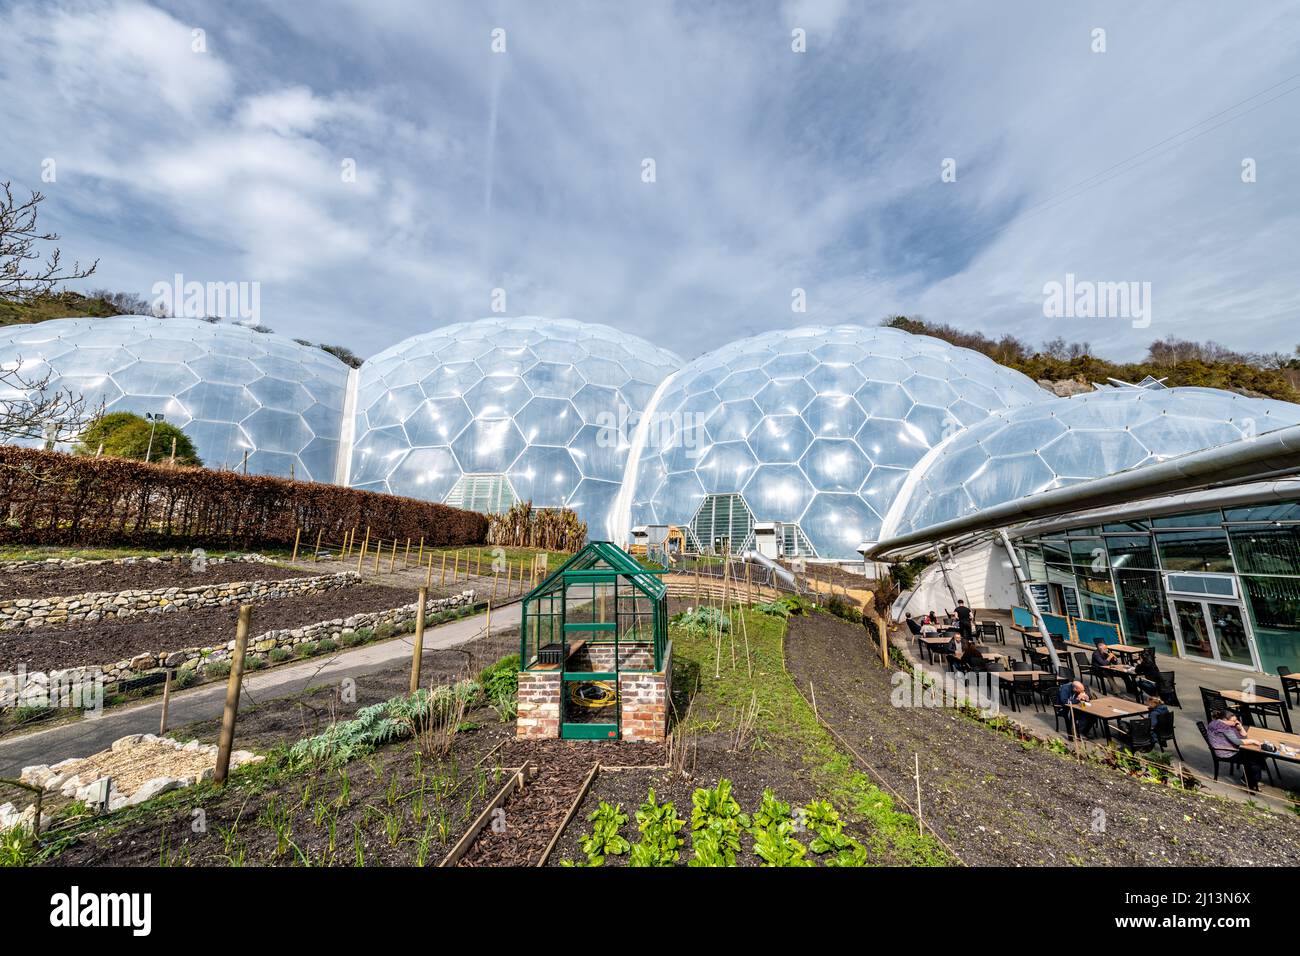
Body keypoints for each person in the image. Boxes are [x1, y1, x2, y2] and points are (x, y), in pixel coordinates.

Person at [1206, 710, 1268, 791]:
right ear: (1225, 719)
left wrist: (1240, 727)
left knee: (1256, 755)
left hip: (1229, 748)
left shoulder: (1218, 722)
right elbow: (1237, 741)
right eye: (1234, 721)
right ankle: (1253, 783)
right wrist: (1253, 741)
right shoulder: (1223, 728)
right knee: (1255, 758)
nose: (1236, 722)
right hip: (1226, 752)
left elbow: (1244, 736)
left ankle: (1249, 778)